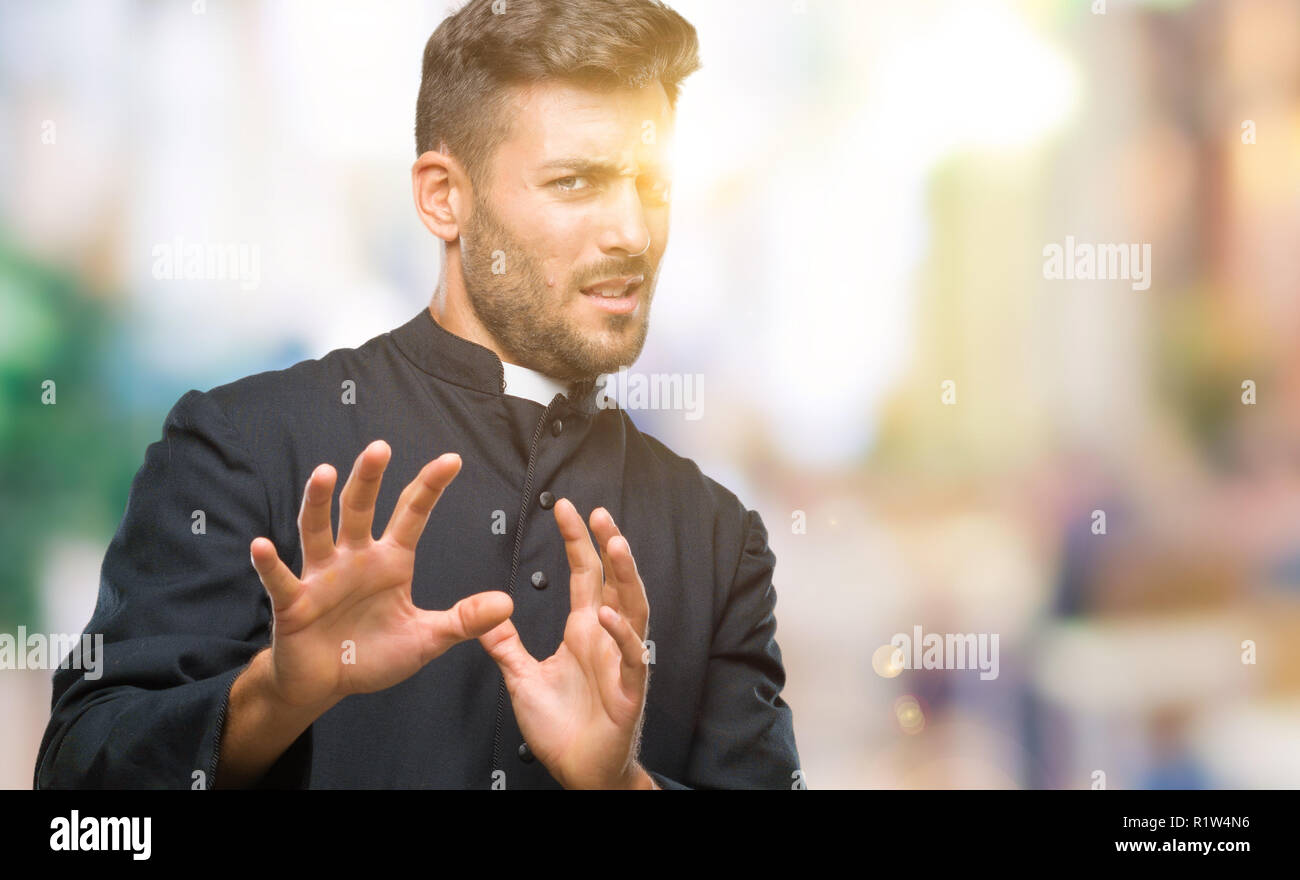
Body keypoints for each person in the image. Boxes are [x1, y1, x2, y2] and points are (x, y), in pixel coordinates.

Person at [35, 0, 801, 789]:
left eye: (654, 187)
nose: (634, 233)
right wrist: (276, 691)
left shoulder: (716, 535)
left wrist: (619, 784)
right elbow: (76, 810)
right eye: (577, 182)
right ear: (443, 198)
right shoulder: (242, 444)